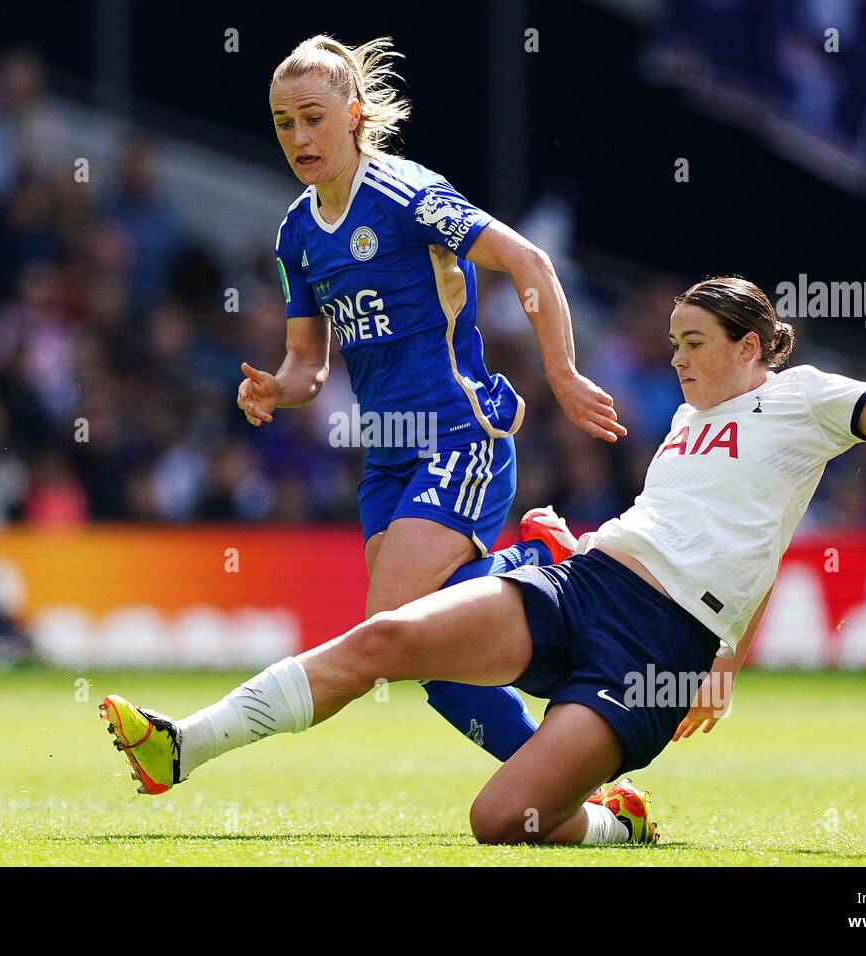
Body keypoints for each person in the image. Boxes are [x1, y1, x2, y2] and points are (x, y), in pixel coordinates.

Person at [102, 278, 866, 845]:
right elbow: (708, 531)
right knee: (383, 637)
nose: (677, 360)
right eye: (671, 344)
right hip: (583, 581)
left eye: (694, 344)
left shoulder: (808, 402)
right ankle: (182, 748)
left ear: (751, 347)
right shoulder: (684, 426)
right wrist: (574, 544)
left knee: (499, 824)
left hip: (657, 649)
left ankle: (613, 825)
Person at [235, 35, 626, 761]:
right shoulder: (296, 233)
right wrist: (276, 391)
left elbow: (525, 257)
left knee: (390, 622)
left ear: (353, 114)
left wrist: (564, 374)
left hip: (458, 437)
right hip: (386, 461)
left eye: (314, 117)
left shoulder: (405, 195)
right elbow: (307, 365)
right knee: (428, 658)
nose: (299, 136)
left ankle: (537, 558)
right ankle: (560, 777)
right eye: (284, 121)